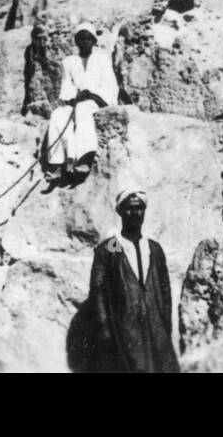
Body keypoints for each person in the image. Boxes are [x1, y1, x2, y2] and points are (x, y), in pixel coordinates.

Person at [80, 189, 180, 373]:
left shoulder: (154, 248)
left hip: (155, 328)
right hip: (124, 328)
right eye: (129, 208)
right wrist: (105, 329)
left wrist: (165, 325)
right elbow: (98, 291)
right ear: (120, 212)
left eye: (140, 208)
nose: (135, 213)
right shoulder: (112, 246)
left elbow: (165, 292)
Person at [44, 24, 119, 187]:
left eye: (88, 38)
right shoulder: (68, 62)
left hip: (98, 101)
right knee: (57, 114)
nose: (85, 42)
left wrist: (93, 95)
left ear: (93, 41)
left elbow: (110, 85)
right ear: (76, 42)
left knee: (84, 109)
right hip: (76, 100)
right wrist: (71, 98)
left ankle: (84, 158)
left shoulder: (102, 59)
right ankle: (58, 163)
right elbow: (66, 85)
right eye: (81, 38)